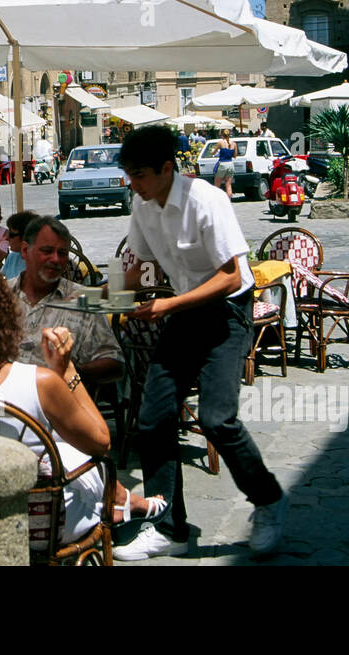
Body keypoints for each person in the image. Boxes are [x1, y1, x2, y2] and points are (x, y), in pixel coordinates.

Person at [111, 125, 286, 561]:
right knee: (153, 419)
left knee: (217, 419)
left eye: (140, 174)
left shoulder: (208, 200)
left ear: (167, 168)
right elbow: (138, 269)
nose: (133, 183)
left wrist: (165, 308)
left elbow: (230, 277)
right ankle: (168, 527)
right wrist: (101, 301)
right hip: (185, 311)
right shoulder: (142, 204)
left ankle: (267, 502)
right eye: (129, 174)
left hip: (228, 313)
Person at [0, 270, 163, 542]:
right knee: (74, 453)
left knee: (58, 447)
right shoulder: (39, 381)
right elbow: (101, 442)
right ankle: (121, 501)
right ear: (10, 319)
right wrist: (67, 370)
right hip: (40, 526)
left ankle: (123, 500)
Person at [10, 216, 124, 390]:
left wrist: (70, 372)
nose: (55, 259)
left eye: (62, 253)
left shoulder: (82, 300)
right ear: (25, 250)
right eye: (47, 251)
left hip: (55, 405)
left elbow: (114, 363)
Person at [1, 210, 38, 279]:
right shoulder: (12, 256)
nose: (6, 237)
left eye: (11, 234)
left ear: (25, 237)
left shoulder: (40, 263)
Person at [213, 128, 236, 199]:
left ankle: (217, 200)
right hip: (230, 164)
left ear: (222, 135)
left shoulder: (220, 142)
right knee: (228, 185)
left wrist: (214, 152)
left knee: (217, 185)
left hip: (223, 163)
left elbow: (213, 152)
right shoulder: (234, 143)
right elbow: (235, 156)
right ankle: (229, 201)